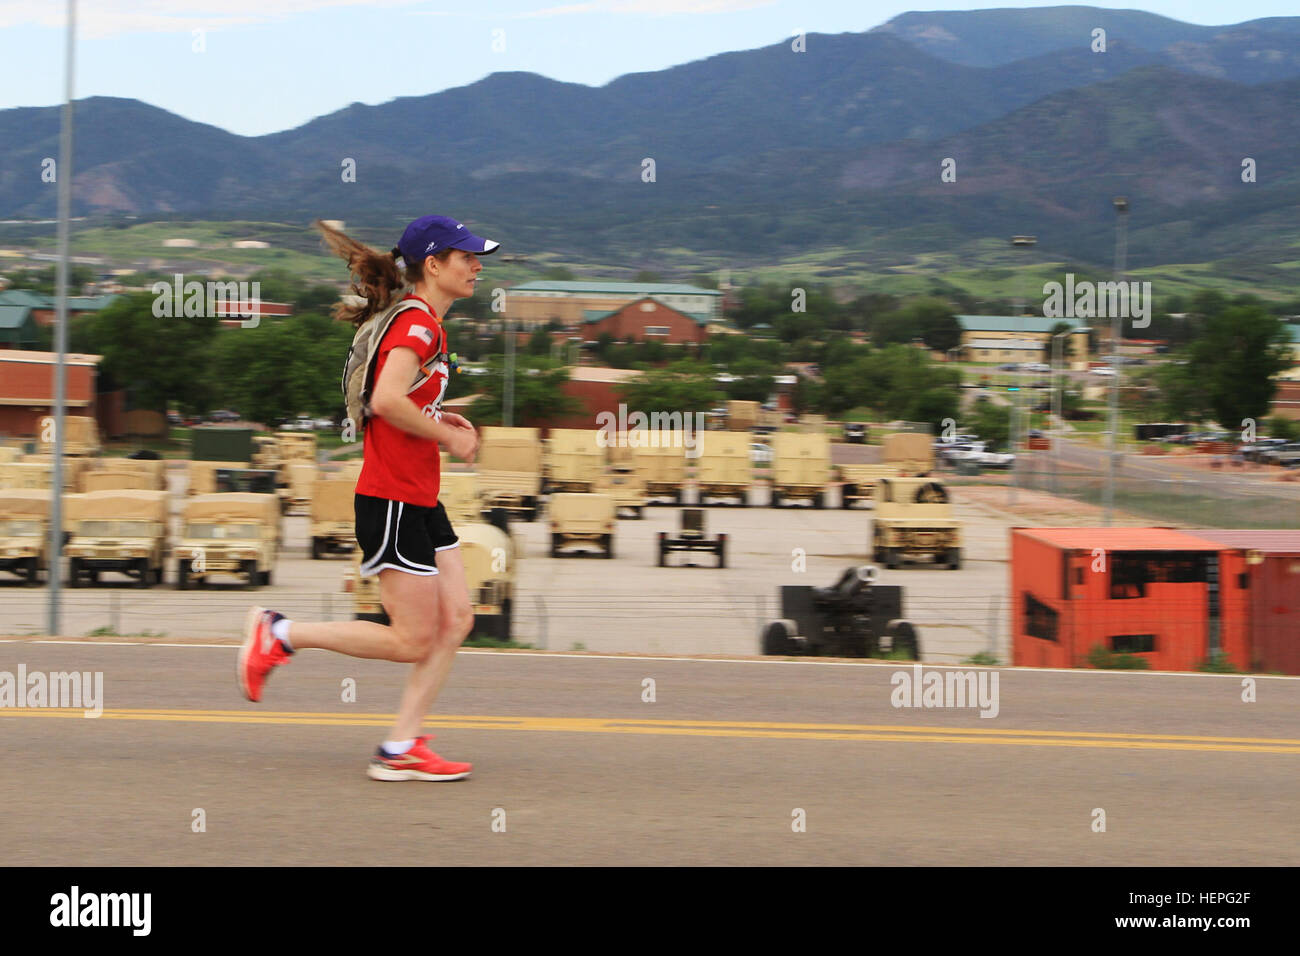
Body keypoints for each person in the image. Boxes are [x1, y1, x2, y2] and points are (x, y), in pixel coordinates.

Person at [236, 215, 497, 782]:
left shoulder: (420, 321)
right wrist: (449, 435)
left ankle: (402, 746)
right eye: (467, 257)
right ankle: (279, 633)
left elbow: (404, 404)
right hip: (393, 498)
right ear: (434, 264)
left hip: (419, 497)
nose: (478, 267)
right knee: (411, 639)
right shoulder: (420, 326)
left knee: (456, 620)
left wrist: (438, 416)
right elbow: (385, 400)